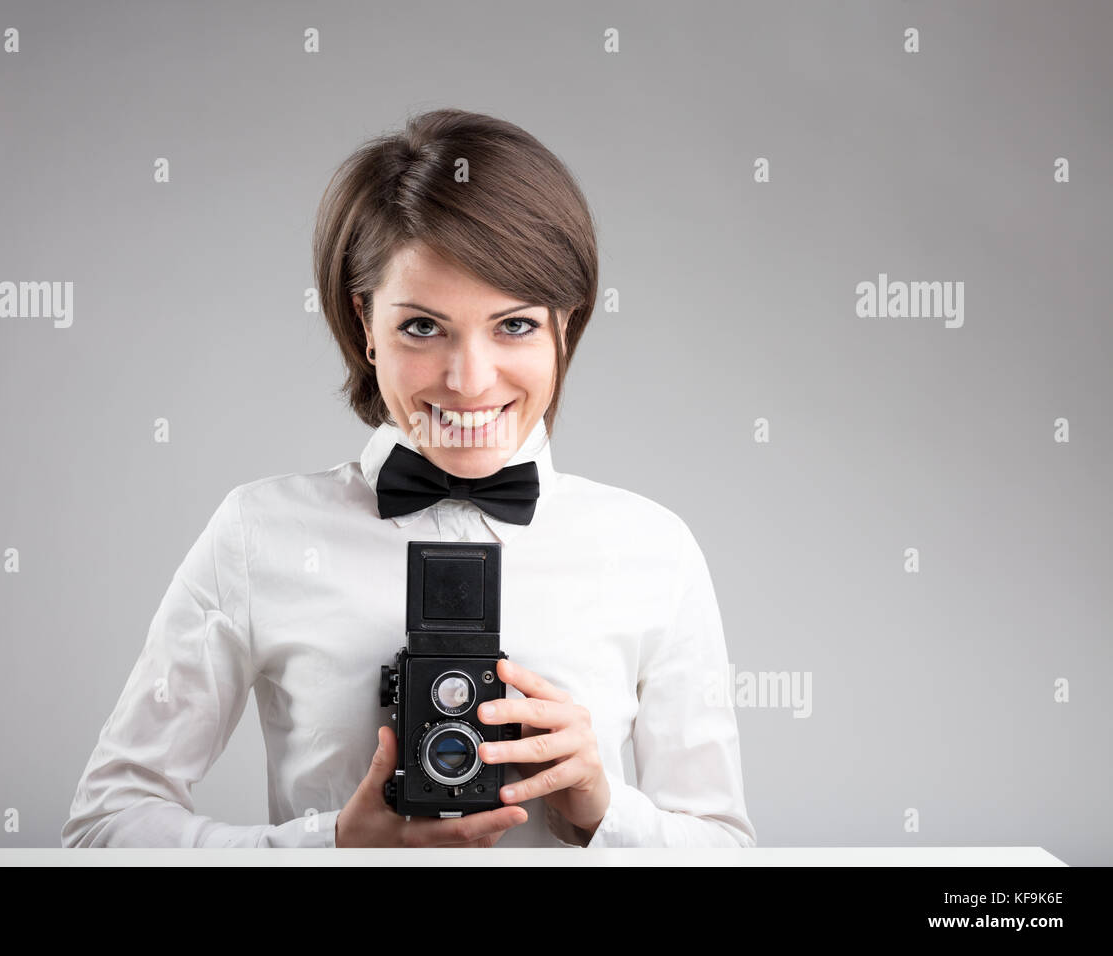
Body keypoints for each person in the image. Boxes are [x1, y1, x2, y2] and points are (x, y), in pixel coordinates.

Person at [61, 108, 756, 849]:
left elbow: (727, 851)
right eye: (423, 327)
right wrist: (332, 846)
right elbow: (104, 828)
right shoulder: (259, 534)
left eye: (513, 324)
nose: (468, 380)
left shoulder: (653, 548)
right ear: (364, 323)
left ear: (566, 322)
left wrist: (601, 810)